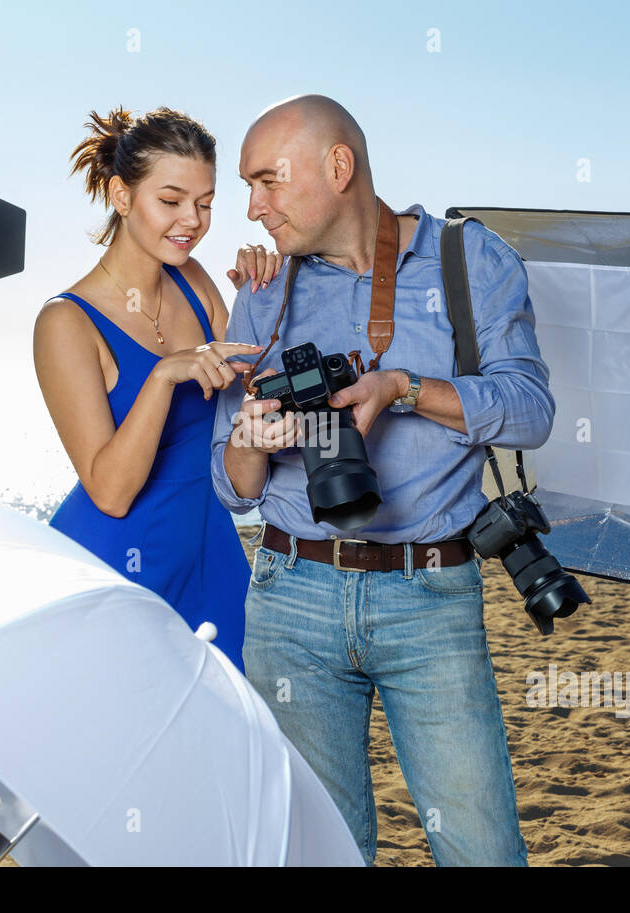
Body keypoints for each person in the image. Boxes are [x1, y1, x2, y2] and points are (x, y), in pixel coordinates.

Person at [211, 94, 555, 866]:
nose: (253, 207)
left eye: (268, 181)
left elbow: (532, 410)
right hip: (289, 594)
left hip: (430, 594)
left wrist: (401, 387)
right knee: (322, 854)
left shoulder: (471, 260)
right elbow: (233, 485)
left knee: (481, 849)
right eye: (247, 187)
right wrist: (253, 439)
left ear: (339, 168)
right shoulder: (262, 289)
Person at [35, 106, 283, 674]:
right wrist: (162, 375)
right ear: (122, 196)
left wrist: (261, 299)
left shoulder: (193, 281)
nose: (192, 221)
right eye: (170, 201)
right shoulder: (65, 323)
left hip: (211, 553)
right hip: (116, 566)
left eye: (205, 203)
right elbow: (112, 492)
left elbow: (258, 393)